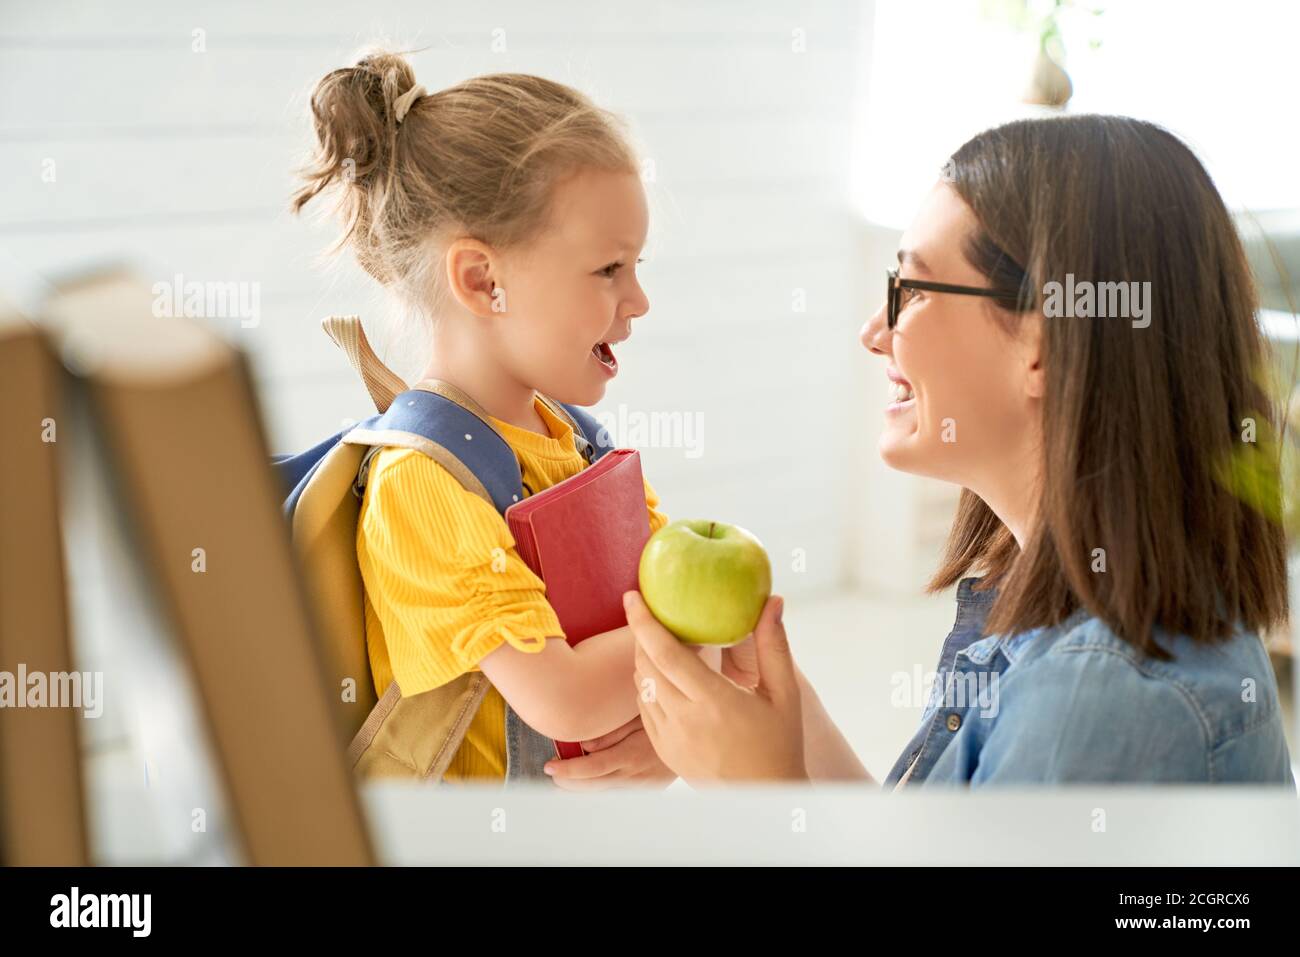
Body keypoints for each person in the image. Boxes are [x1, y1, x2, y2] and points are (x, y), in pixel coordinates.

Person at [621, 114, 1296, 788]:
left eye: (912, 289)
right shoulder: (1052, 602)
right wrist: (782, 725)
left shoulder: (1101, 699)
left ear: (1043, 345)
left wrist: (760, 793)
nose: (874, 331)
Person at [293, 49, 677, 786]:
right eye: (609, 270)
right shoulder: (423, 485)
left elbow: (663, 607)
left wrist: (670, 721)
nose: (638, 301)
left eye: (637, 268)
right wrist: (701, 641)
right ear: (482, 279)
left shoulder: (574, 440)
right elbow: (563, 696)